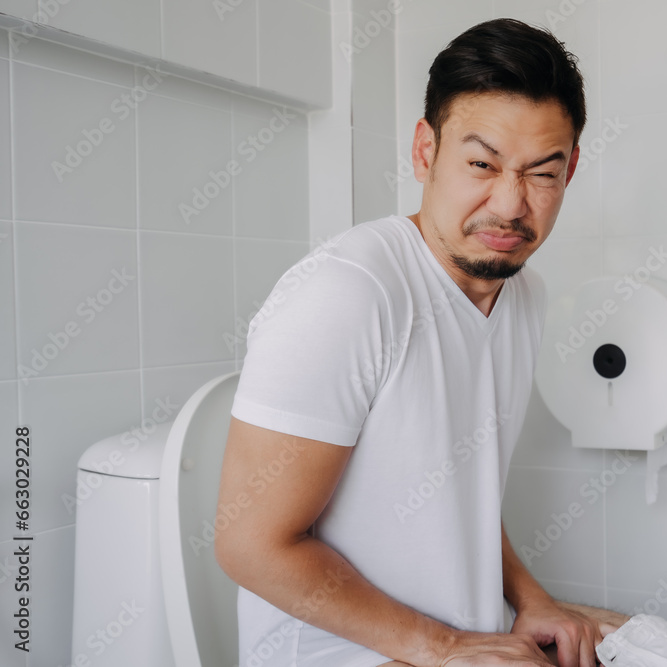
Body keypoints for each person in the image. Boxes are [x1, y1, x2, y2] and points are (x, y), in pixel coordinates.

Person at [215, 18, 628, 667]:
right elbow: (249, 544)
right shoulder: (349, 294)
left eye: (541, 174)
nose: (510, 204)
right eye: (482, 164)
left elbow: (458, 496)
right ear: (425, 151)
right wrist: (445, 647)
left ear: (570, 169)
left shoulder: (525, 295)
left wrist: (532, 600)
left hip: (459, 644)